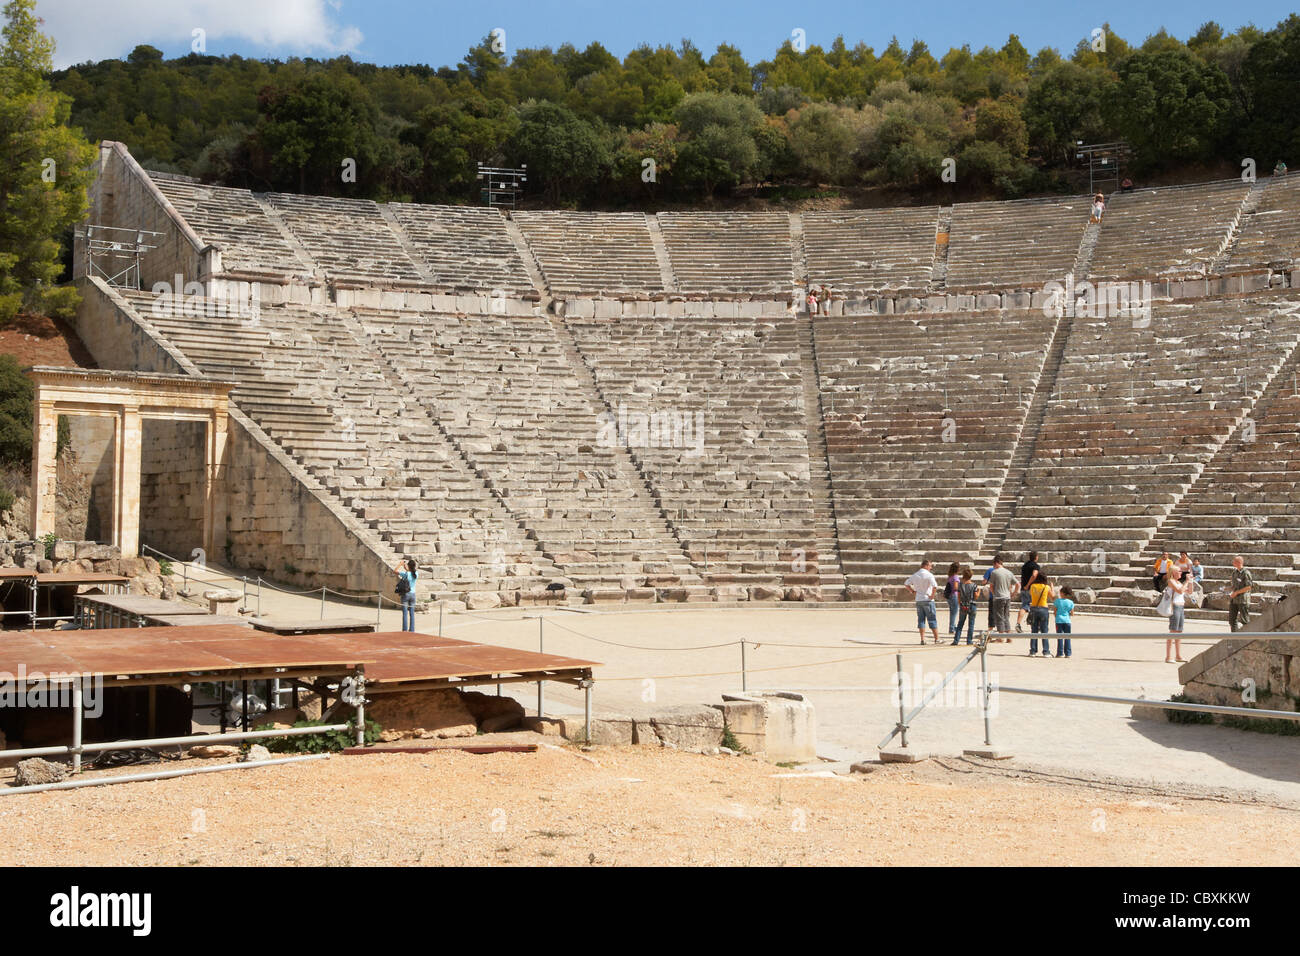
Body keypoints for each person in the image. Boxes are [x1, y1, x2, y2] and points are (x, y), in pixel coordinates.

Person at [905, 559, 941, 644]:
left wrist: (913, 591)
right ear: (926, 566)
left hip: (919, 599)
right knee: (932, 619)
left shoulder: (915, 575)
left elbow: (906, 584)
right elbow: (935, 586)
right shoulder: (929, 575)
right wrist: (932, 595)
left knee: (921, 620)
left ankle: (922, 639)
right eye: (930, 566)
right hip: (928, 600)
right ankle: (936, 639)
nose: (931, 568)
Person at [988, 555, 1018, 638]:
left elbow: (991, 586)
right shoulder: (1009, 572)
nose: (993, 566)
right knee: (1006, 616)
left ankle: (1001, 637)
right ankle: (1008, 637)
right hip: (1007, 597)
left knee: (999, 617)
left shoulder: (994, 572)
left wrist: (994, 594)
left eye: (994, 564)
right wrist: (1013, 593)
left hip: (998, 597)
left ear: (996, 563)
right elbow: (1018, 584)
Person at [1165, 570, 1188, 663]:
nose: (1181, 573)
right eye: (1178, 571)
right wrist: (1186, 582)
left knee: (1179, 632)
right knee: (1173, 631)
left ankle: (1178, 655)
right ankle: (1168, 656)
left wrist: (1190, 582)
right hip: (1175, 606)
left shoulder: (1178, 582)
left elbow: (1189, 591)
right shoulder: (1171, 581)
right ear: (1173, 573)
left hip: (1181, 606)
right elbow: (1180, 590)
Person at [952, 566, 979, 646]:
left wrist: (960, 604)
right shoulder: (974, 585)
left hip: (963, 605)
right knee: (971, 624)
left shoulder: (960, 585)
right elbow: (976, 596)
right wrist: (979, 591)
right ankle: (969, 640)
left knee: (960, 623)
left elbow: (959, 596)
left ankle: (956, 640)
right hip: (972, 605)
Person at [1028, 572, 1053, 656]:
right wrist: (1052, 588)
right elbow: (1052, 596)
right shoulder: (1047, 587)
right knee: (1044, 630)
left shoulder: (1032, 586)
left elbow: (1031, 594)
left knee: (1034, 631)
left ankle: (1033, 651)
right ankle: (1046, 651)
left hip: (1034, 608)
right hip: (1043, 609)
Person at [1016, 551, 1041, 633]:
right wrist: (1028, 585)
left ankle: (1018, 624)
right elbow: (1034, 575)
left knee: (1024, 606)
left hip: (1023, 588)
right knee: (1035, 606)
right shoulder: (1035, 566)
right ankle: (1036, 625)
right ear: (1036, 557)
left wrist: (1025, 585)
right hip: (1031, 588)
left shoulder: (1025, 565)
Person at [1228, 555, 1254, 632]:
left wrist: (1236, 592)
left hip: (1243, 599)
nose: (1233, 563)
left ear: (1239, 562)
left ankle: (1247, 637)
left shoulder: (1246, 573)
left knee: (1245, 620)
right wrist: (1228, 589)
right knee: (1232, 620)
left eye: (1234, 562)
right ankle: (1235, 637)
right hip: (1234, 599)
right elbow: (1234, 585)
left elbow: (1248, 587)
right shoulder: (1234, 573)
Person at [395, 558, 418, 631]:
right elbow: (411, 572)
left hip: (406, 594)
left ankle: (404, 629)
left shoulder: (406, 574)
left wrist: (400, 564)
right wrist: (407, 568)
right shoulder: (416, 574)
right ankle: (412, 629)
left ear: (408, 566)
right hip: (413, 594)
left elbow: (395, 571)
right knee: (412, 613)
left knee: (405, 613)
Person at [1054, 585, 1075, 659]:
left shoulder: (1057, 601)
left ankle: (1060, 653)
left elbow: (1055, 612)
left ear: (1062, 593)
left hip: (1059, 620)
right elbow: (1072, 614)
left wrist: (1057, 616)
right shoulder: (1071, 602)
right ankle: (1068, 653)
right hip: (1067, 621)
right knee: (1067, 637)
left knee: (1059, 637)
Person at [943, 561, 961, 640]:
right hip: (954, 596)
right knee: (954, 612)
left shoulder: (950, 576)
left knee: (952, 612)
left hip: (950, 596)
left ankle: (952, 626)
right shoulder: (955, 577)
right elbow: (955, 588)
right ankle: (952, 628)